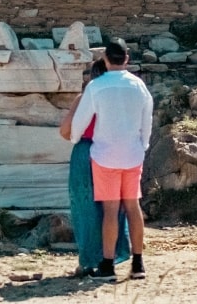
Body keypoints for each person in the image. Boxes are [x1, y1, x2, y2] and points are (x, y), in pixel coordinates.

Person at [70, 38, 153, 282]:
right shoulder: (139, 86)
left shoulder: (97, 86)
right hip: (132, 154)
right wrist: (143, 147)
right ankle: (138, 263)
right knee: (133, 206)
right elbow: (146, 121)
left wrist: (76, 138)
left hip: (104, 155)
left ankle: (107, 265)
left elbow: (81, 121)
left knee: (110, 210)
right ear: (127, 58)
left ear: (106, 59)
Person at [59, 59, 130, 277]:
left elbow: (64, 130)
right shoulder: (121, 99)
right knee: (112, 207)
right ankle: (111, 257)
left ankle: (88, 261)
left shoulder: (85, 98)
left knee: (85, 207)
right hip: (113, 150)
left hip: (85, 151)